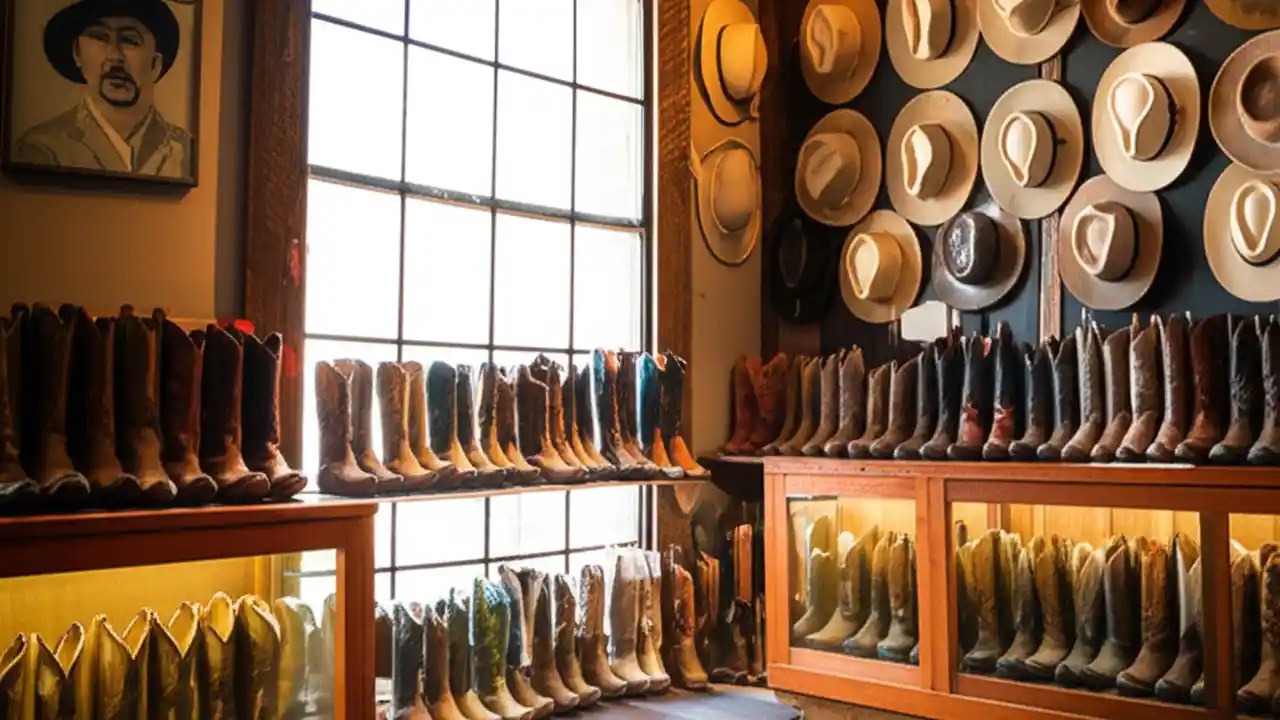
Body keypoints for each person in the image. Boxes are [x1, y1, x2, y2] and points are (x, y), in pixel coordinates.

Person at [13, 0, 191, 179]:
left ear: (155, 64)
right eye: (100, 38)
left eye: (129, 40)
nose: (114, 56)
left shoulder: (184, 150)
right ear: (77, 53)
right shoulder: (44, 147)